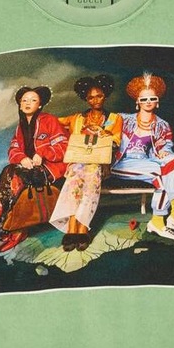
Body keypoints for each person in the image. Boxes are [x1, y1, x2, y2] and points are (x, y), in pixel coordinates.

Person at [0, 85, 68, 252]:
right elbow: (13, 149)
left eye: (33, 100)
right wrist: (22, 158)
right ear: (20, 105)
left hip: (50, 169)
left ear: (40, 104)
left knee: (14, 174)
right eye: (24, 100)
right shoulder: (20, 127)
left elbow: (64, 147)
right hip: (28, 169)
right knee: (10, 172)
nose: (28, 103)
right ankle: (10, 228)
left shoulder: (49, 120)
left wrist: (42, 154)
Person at [111, 72, 174, 240]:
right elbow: (104, 129)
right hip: (122, 162)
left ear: (157, 101)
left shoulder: (163, 125)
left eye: (152, 99)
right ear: (137, 102)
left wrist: (164, 150)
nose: (148, 102)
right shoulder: (121, 118)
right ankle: (157, 221)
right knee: (162, 174)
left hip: (148, 161)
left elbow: (166, 144)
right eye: (144, 99)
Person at [49, 75, 123, 252]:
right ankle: (71, 229)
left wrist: (104, 134)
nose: (95, 100)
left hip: (101, 163)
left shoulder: (114, 118)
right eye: (91, 97)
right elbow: (51, 122)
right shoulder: (77, 118)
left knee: (90, 176)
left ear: (105, 95)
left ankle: (82, 229)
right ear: (85, 98)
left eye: (99, 96)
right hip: (78, 162)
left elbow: (117, 141)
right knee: (74, 178)